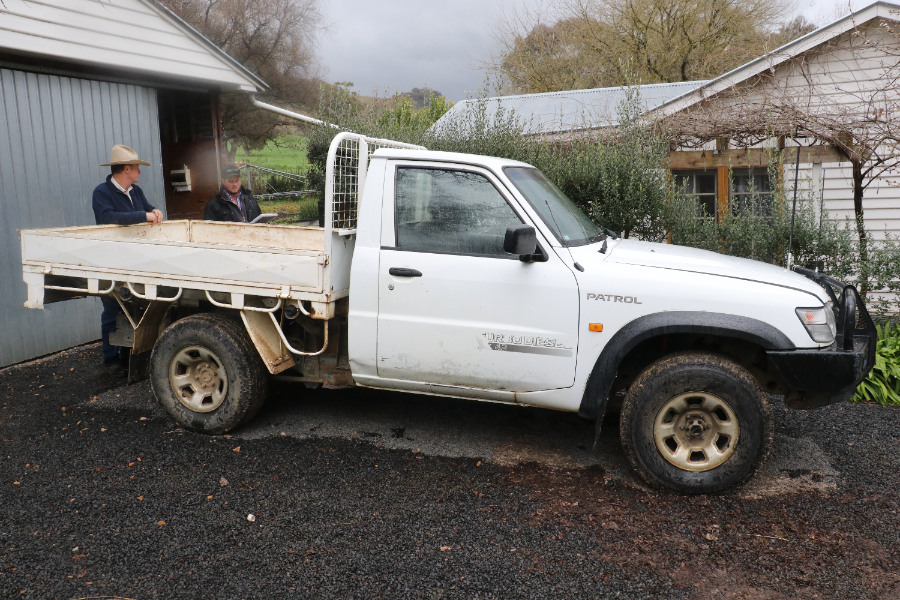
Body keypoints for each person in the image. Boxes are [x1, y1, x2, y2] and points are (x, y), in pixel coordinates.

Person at [92, 144, 164, 377]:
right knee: (112, 308)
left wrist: (154, 210)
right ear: (126, 169)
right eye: (136, 168)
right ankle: (110, 359)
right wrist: (143, 216)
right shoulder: (102, 192)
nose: (139, 173)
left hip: (135, 259)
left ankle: (129, 355)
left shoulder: (136, 191)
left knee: (135, 306)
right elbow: (107, 218)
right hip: (111, 259)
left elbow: (146, 206)